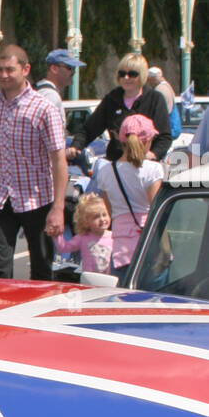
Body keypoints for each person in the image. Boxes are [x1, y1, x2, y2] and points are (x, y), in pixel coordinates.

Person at [0, 44, 68, 280]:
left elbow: (59, 160)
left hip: (36, 198)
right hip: (1, 197)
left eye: (10, 69)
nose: (3, 75)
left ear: (25, 69)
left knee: (41, 268)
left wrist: (58, 208)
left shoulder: (44, 108)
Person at [68, 52, 170, 166]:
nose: (126, 78)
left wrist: (153, 154)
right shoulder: (111, 99)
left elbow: (164, 136)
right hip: (117, 164)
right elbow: (89, 129)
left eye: (132, 74)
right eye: (122, 74)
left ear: (142, 75)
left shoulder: (155, 99)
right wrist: (76, 146)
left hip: (146, 165)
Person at [97, 113, 163, 273]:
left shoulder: (105, 171)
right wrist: (166, 251)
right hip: (150, 243)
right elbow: (158, 213)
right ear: (147, 141)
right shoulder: (153, 169)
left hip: (121, 248)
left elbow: (111, 211)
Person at [53, 193, 113, 275]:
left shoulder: (113, 237)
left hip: (109, 278)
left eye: (104, 215)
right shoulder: (83, 237)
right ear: (86, 222)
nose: (102, 219)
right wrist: (57, 235)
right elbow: (64, 248)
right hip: (89, 279)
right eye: (96, 217)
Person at [35, 48, 86, 116]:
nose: (73, 72)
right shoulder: (51, 96)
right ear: (54, 69)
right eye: (69, 67)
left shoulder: (40, 88)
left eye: (74, 68)